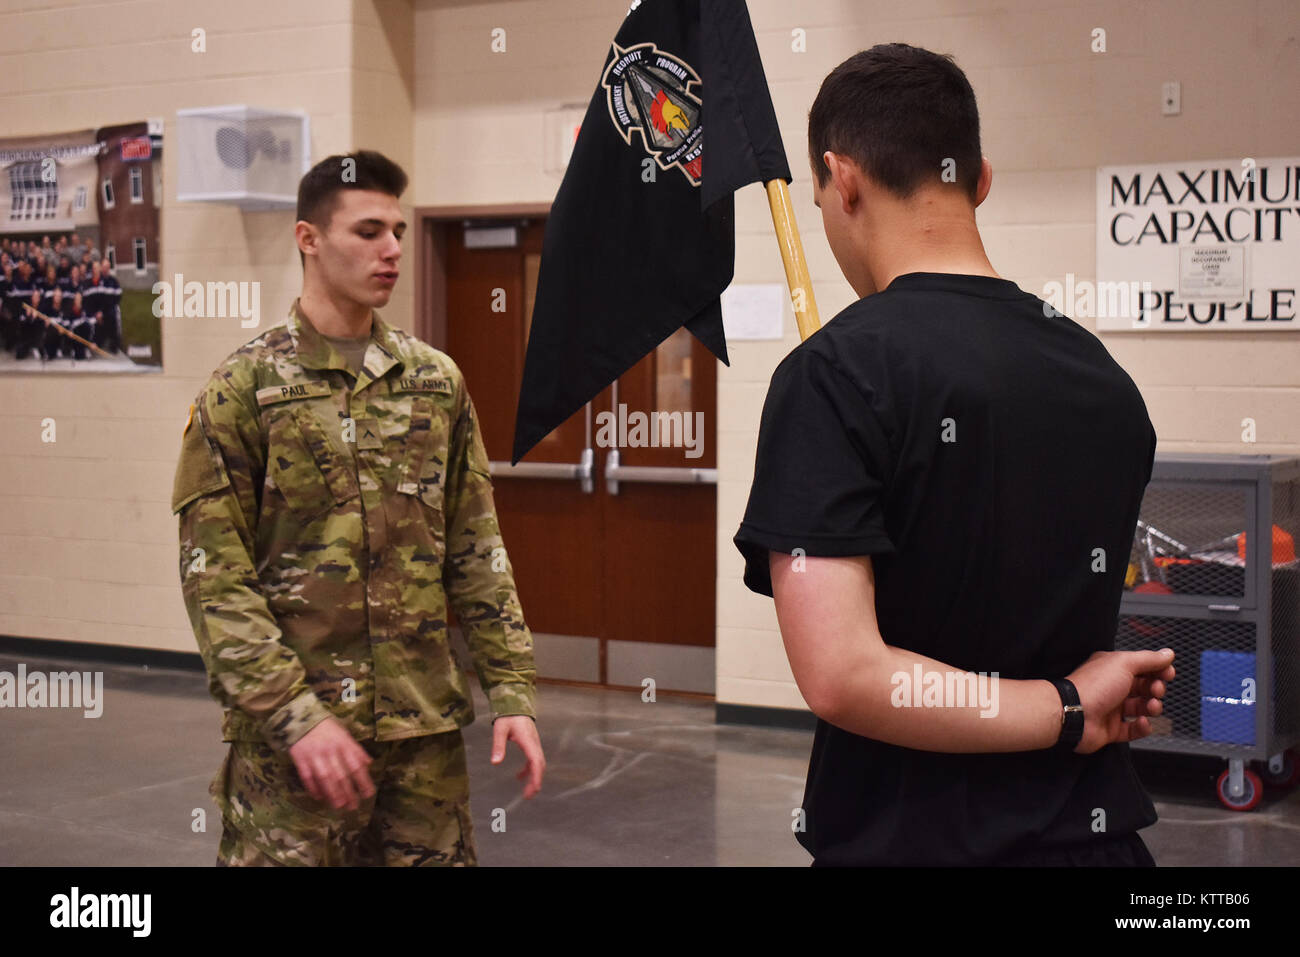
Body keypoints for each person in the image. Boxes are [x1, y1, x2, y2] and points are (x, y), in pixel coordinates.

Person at [732, 43, 1176, 867]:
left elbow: (843, 676)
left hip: (915, 843)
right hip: (1094, 846)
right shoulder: (1106, 381)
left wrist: (1069, 708)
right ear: (981, 180)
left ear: (844, 178)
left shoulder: (833, 376)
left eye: (823, 195)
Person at [172, 149, 544, 866]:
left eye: (398, 231)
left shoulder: (435, 384)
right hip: (295, 749)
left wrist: (512, 689)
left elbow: (477, 547)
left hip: (421, 736)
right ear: (308, 238)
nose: (393, 250)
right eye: (369, 231)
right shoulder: (242, 390)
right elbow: (214, 578)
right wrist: (293, 714)